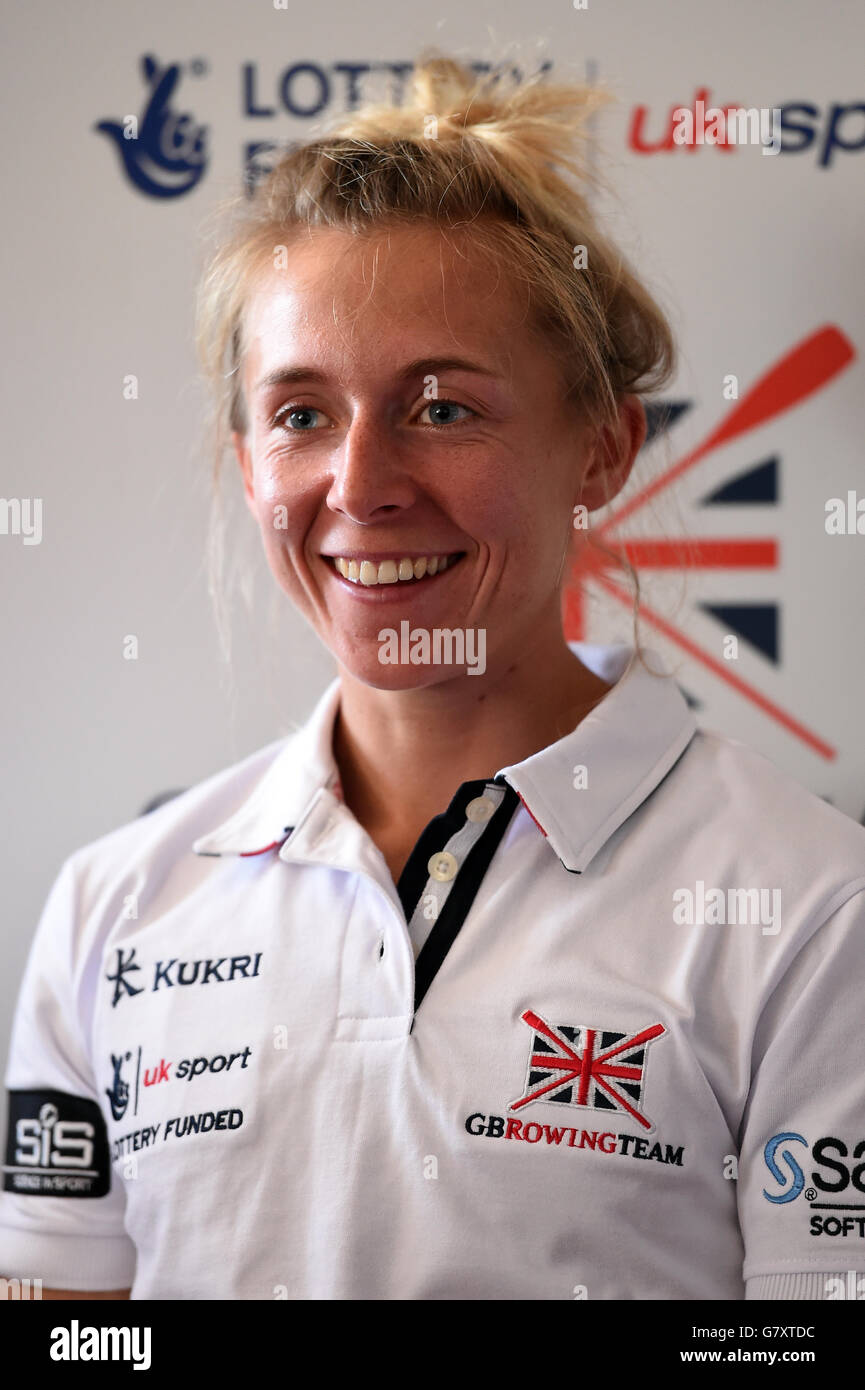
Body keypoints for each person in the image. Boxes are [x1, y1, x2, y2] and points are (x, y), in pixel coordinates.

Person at [2, 55, 864, 1302]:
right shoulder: (114, 906)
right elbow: (69, 1336)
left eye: (443, 408)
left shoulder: (810, 908)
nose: (361, 485)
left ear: (602, 446)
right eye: (301, 415)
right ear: (248, 463)